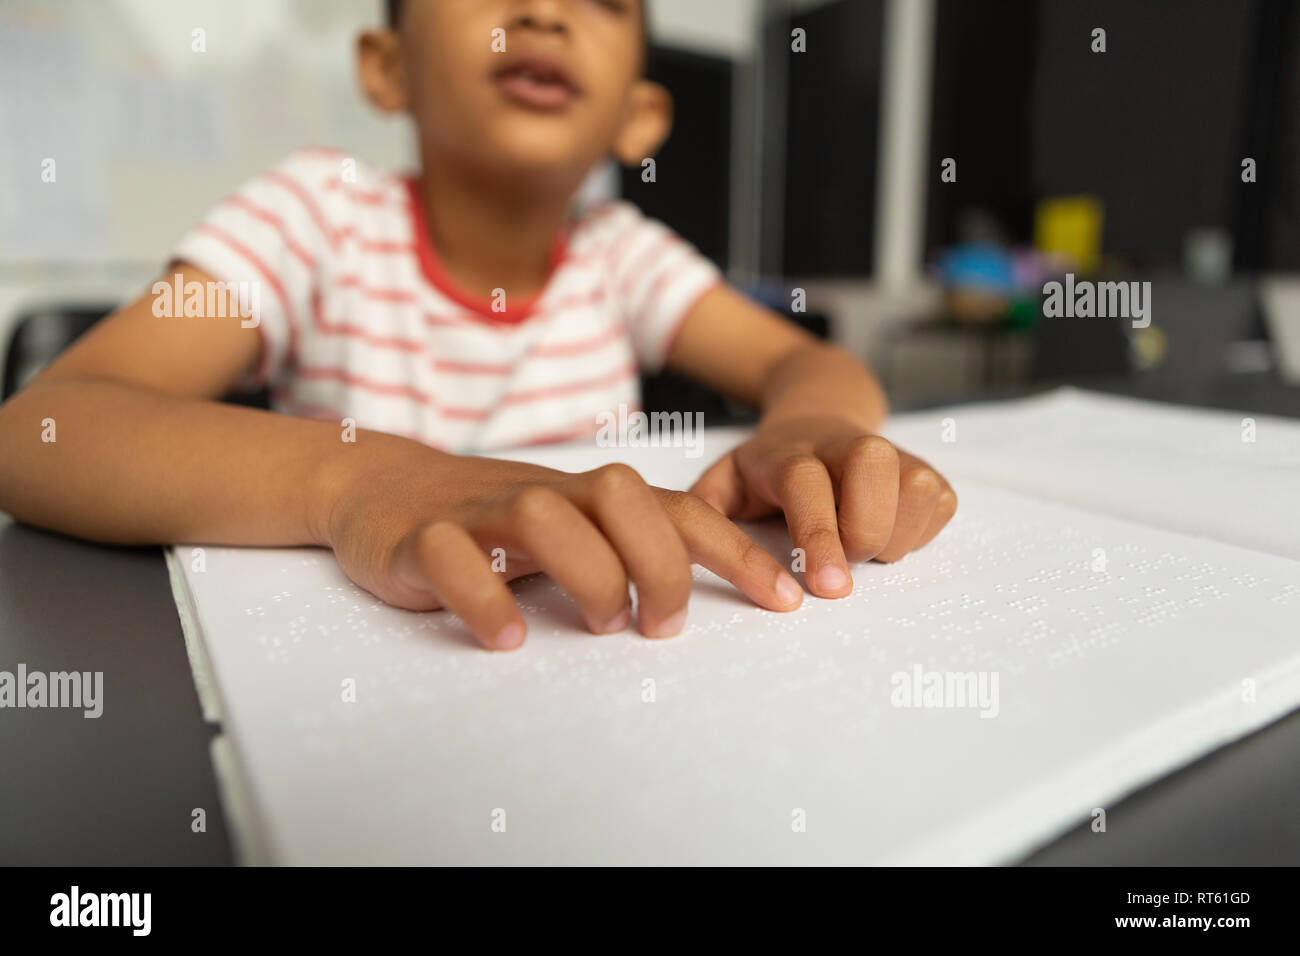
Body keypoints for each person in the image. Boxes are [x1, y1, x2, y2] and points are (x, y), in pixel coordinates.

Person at [0, 0, 956, 650]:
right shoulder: (312, 217)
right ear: (387, 66)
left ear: (640, 116)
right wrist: (363, 480)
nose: (543, 11)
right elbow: (44, 428)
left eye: (602, 1)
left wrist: (807, 429)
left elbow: (808, 362)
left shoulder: (620, 250)